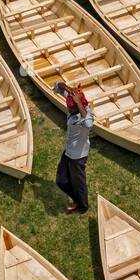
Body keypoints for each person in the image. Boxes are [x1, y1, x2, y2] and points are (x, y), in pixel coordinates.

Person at [53, 82, 92, 214]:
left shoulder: (86, 114)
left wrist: (78, 103)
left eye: (71, 108)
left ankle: (83, 206)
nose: (68, 110)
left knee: (78, 183)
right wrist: (68, 89)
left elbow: (87, 122)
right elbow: (57, 86)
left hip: (78, 156)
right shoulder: (73, 104)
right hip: (69, 152)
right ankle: (76, 199)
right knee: (61, 181)